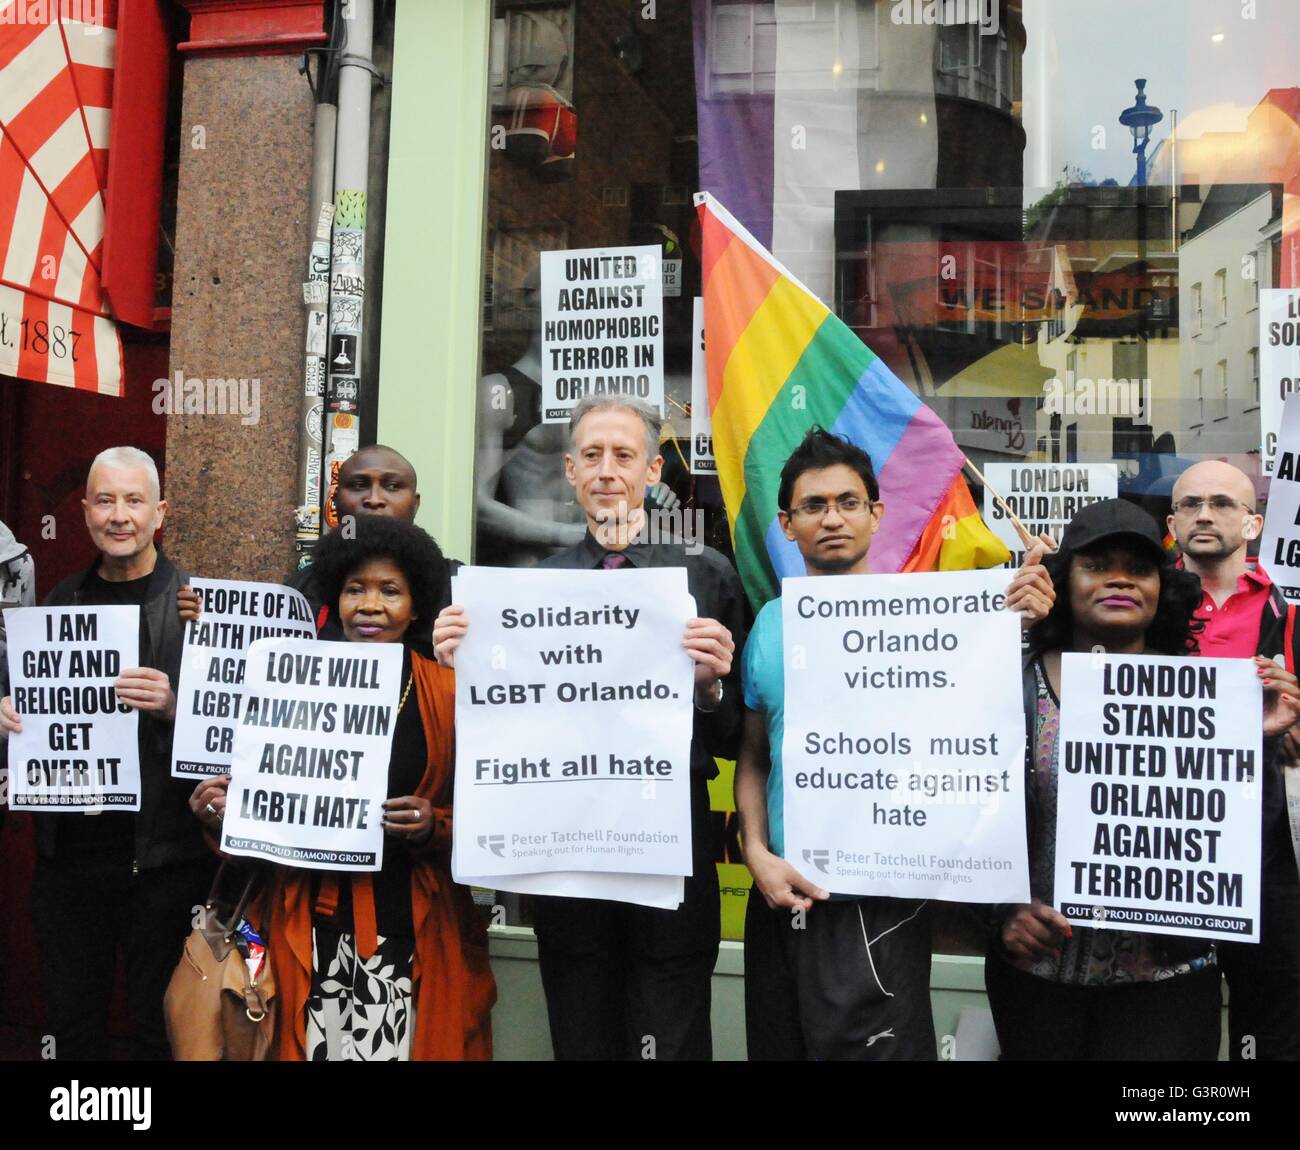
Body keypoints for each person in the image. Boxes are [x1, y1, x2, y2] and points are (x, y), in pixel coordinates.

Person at [435, 393, 746, 1060]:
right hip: (566, 853)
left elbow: (733, 739)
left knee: (674, 1032)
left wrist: (714, 688)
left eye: (625, 456)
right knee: (581, 1031)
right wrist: (460, 666)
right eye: (593, 456)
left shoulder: (707, 578)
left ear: (653, 472)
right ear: (571, 472)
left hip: (670, 850)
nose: (608, 470)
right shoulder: (528, 592)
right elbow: (499, 734)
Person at [736, 428, 1056, 1060]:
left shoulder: (937, 615)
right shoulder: (771, 622)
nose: (832, 517)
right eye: (813, 505)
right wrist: (753, 851)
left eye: (849, 501)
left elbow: (986, 720)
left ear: (876, 514)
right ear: (787, 524)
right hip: (778, 894)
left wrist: (1031, 614)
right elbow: (753, 754)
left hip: (876, 903)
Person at [987, 498, 1299, 1060]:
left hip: (1167, 987)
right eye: (1097, 565)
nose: (1120, 580)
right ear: (1064, 580)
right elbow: (963, 821)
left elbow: (1236, 840)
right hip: (1037, 983)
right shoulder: (1008, 685)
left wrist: (1260, 742)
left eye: (1139, 568)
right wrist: (1000, 910)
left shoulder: (1208, 695)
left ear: (1162, 586)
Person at [190, 516, 494, 1060]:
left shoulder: (448, 692)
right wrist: (221, 815)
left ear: (417, 605)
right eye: (356, 589)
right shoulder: (289, 679)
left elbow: (492, 813)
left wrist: (434, 825)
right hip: (305, 927)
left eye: (390, 591)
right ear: (336, 598)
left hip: (408, 929)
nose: (371, 605)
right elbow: (261, 807)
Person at [0, 446, 213, 1060]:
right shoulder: (60, 603)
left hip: (163, 865)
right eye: (105, 501)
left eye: (134, 501)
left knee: (158, 1031)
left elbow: (240, 732)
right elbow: (32, 712)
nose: (119, 515)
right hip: (68, 864)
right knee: (74, 1031)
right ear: (86, 511)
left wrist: (175, 706)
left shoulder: (195, 609)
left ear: (160, 513)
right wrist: (12, 719)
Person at [1167, 460, 1300, 1061]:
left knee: (1269, 1012)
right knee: (1166, 1018)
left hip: (1266, 845)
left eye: (1221, 503)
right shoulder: (1137, 601)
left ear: (1253, 523)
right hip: (1161, 842)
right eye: (1191, 503)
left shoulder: (1291, 613)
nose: (1203, 514)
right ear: (1171, 521)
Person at [178, 444, 459, 639]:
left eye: (392, 486)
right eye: (359, 486)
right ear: (335, 504)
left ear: (415, 503)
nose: (374, 499)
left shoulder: (458, 586)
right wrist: (208, 622)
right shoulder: (300, 591)